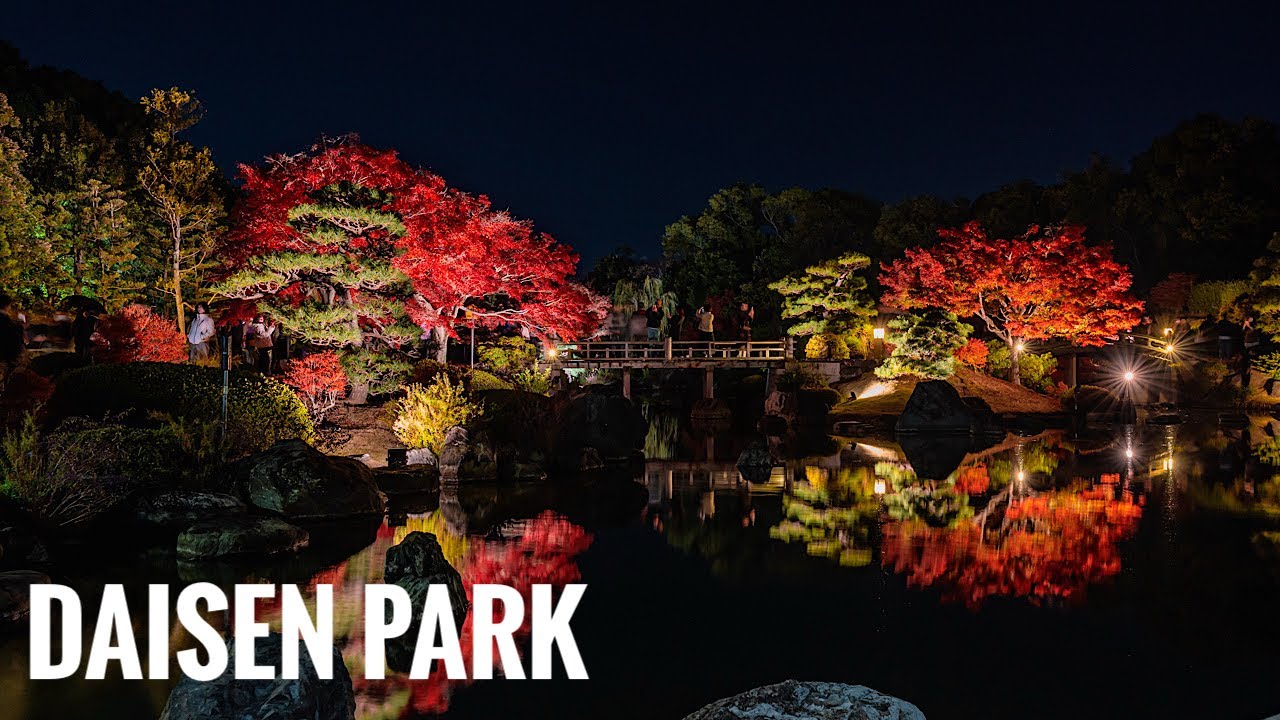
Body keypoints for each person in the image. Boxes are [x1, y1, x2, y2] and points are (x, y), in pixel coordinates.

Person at [0, 293, 25, 371]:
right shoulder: (7, 321)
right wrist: (20, 323)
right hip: (6, 353)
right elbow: (14, 336)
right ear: (7, 306)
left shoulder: (7, 320)